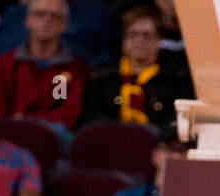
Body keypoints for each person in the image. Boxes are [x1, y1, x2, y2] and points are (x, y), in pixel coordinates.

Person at [82, 5, 192, 133]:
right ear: (124, 40)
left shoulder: (175, 79)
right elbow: (90, 121)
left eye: (147, 36)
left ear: (159, 40)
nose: (139, 40)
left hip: (157, 147)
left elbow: (176, 122)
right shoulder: (102, 77)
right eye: (133, 35)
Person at [0, 0, 90, 132]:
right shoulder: (1, 66)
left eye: (55, 17)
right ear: (28, 20)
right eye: (40, 14)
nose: (47, 21)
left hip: (51, 137)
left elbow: (67, 112)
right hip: (8, 135)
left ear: (65, 25)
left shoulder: (74, 69)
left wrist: (31, 123)